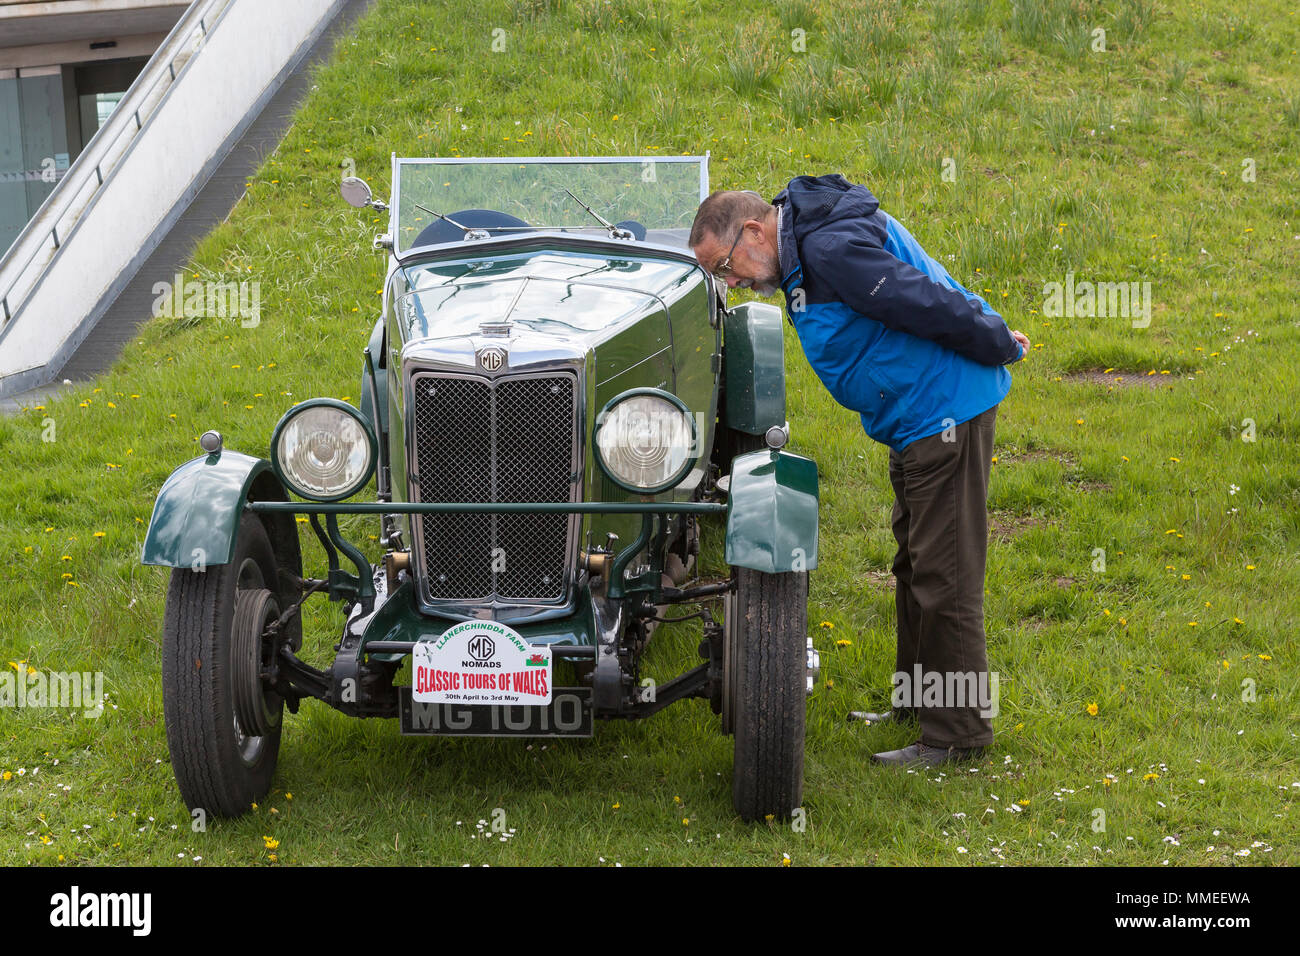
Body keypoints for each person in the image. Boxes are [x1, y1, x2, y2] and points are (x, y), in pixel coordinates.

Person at [688, 175, 1030, 768]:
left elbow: (921, 298)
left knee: (943, 577)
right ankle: (917, 704)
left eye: (724, 266)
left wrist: (994, 336)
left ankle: (957, 736)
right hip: (916, 418)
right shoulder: (806, 245)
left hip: (944, 410)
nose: (732, 283)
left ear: (751, 230)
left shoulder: (826, 249)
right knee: (914, 562)